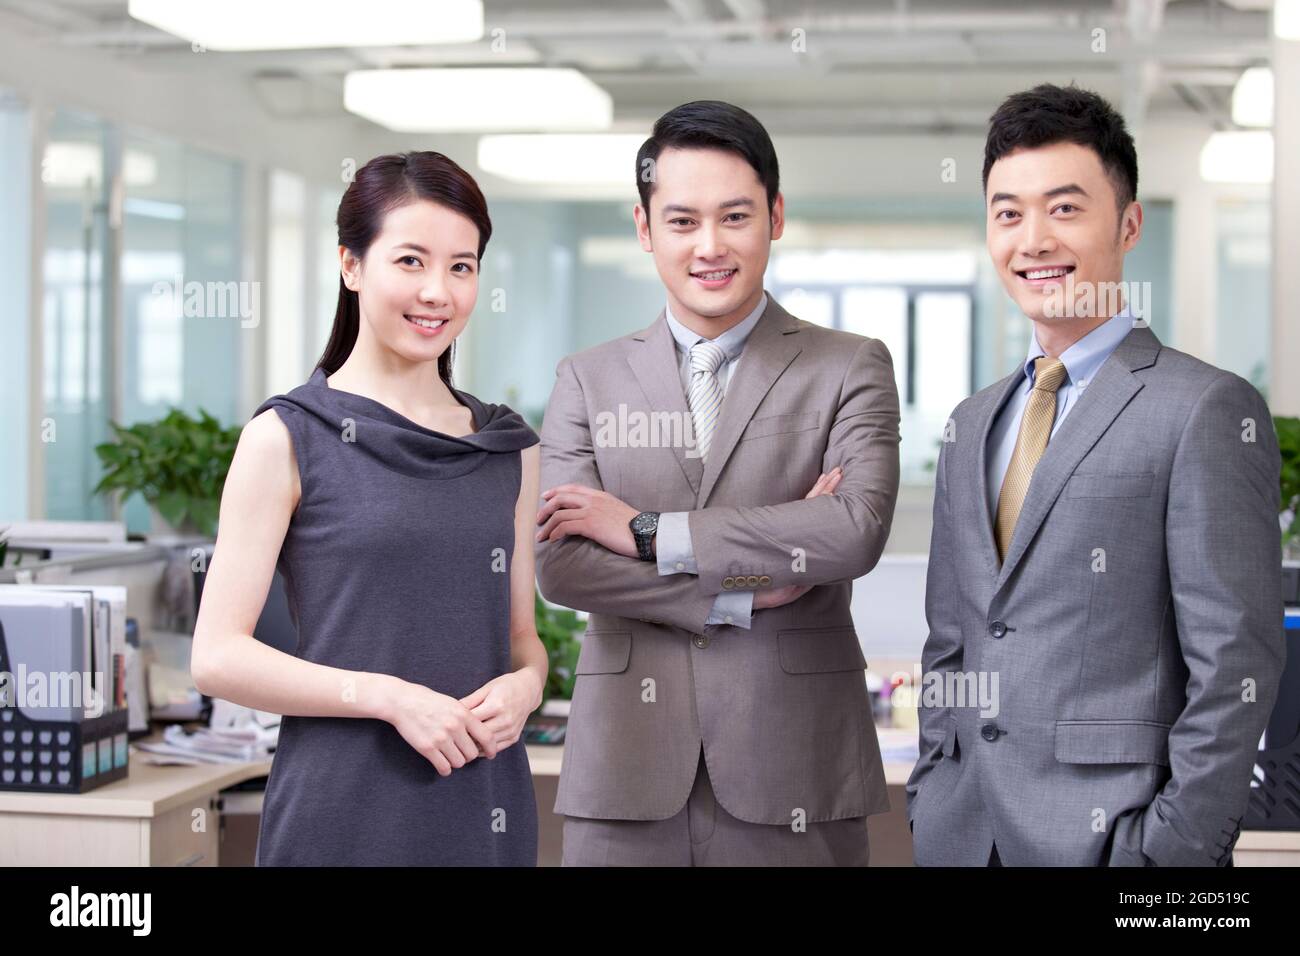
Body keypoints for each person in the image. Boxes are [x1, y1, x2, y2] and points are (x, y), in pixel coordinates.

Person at [906, 84, 1284, 866]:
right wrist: (934, 782)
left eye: (1065, 208)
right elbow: (953, 639)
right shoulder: (971, 423)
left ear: (1129, 224)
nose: (1034, 240)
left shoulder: (1203, 409)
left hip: (1116, 842)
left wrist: (1167, 853)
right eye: (1008, 213)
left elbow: (1236, 663)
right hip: (963, 835)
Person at [534, 100, 901, 866]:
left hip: (795, 765)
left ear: (775, 216)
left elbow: (850, 531)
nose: (710, 246)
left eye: (735, 217)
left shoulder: (849, 365)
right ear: (645, 228)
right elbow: (563, 564)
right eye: (682, 221)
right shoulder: (586, 379)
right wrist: (741, 595)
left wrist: (645, 532)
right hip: (625, 771)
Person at [191, 151, 547, 866]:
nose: (437, 292)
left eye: (462, 266)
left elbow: (520, 640)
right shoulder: (287, 436)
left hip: (483, 803)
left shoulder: (507, 447)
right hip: (341, 810)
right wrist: (387, 696)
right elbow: (217, 656)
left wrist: (527, 687)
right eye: (410, 261)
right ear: (351, 266)